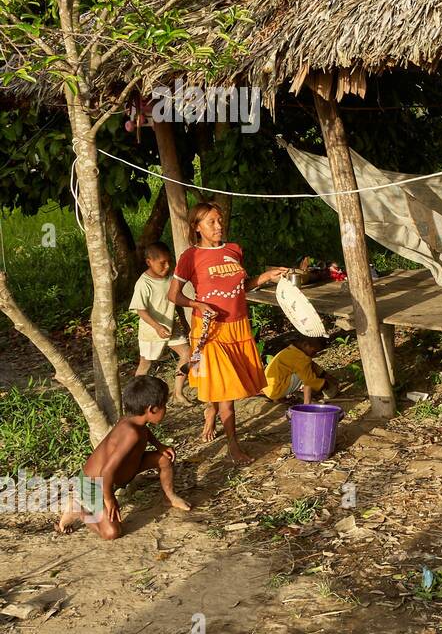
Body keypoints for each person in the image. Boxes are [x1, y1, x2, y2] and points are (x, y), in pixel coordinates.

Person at [168, 201, 290, 464]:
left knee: (222, 384)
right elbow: (173, 295)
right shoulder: (190, 256)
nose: (218, 226)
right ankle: (233, 443)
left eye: (220, 220)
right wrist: (197, 303)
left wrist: (266, 277)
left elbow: (241, 288)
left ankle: (210, 411)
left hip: (238, 326)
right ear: (196, 227)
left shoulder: (234, 250)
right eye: (211, 222)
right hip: (209, 331)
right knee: (225, 391)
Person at [56, 375, 189, 539]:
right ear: (152, 409)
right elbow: (106, 472)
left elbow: (145, 432)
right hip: (95, 485)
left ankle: (170, 497)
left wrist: (159, 446)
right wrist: (109, 499)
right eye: (164, 406)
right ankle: (79, 511)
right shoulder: (130, 432)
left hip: (123, 472)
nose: (166, 410)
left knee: (164, 459)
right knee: (111, 533)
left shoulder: (134, 421)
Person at [129, 242, 192, 405]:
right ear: (149, 262)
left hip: (171, 327)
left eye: (169, 261)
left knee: (187, 353)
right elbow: (140, 310)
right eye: (162, 263)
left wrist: (184, 321)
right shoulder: (144, 283)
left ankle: (178, 393)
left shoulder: (171, 278)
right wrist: (157, 326)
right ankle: (135, 399)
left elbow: (175, 300)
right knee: (145, 366)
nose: (167, 266)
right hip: (151, 331)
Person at [264, 336, 338, 405]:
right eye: (314, 352)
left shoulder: (292, 350)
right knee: (306, 375)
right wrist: (325, 385)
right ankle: (306, 404)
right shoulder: (302, 359)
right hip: (275, 391)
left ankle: (279, 398)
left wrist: (326, 375)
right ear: (305, 345)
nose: (314, 355)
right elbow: (308, 381)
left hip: (267, 388)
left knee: (308, 366)